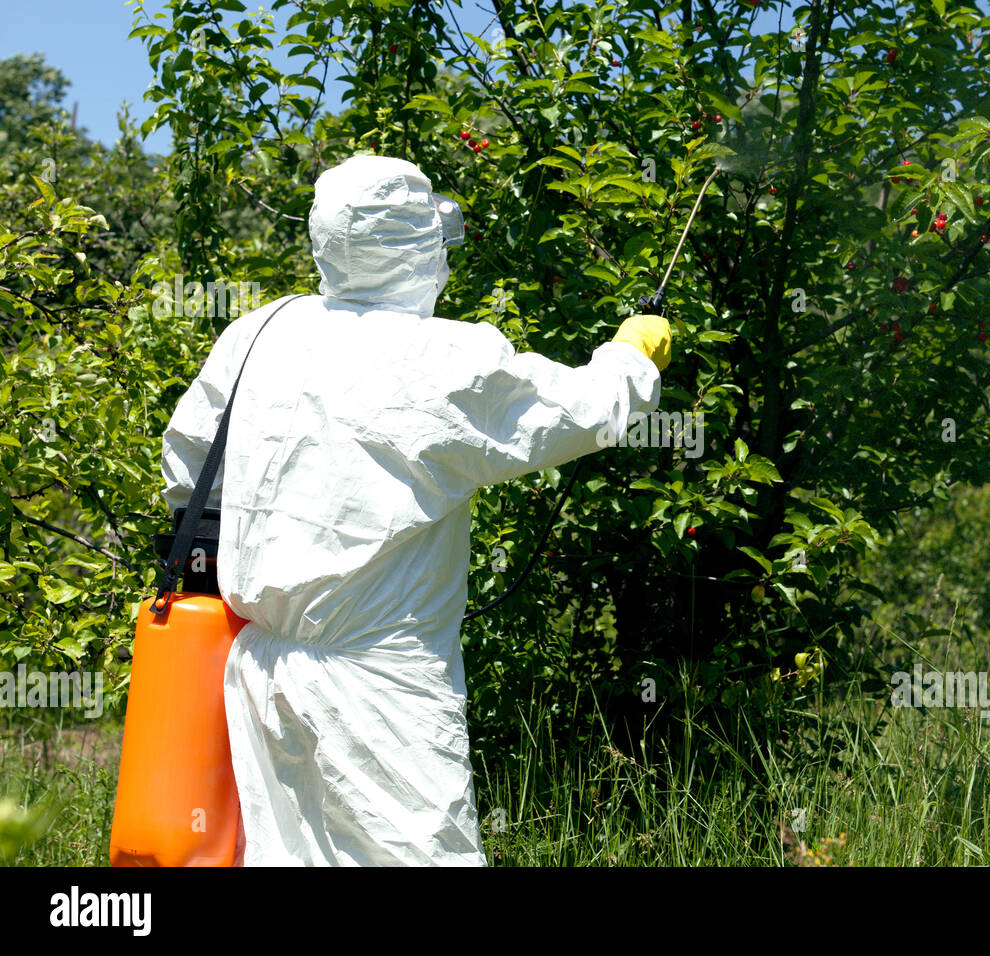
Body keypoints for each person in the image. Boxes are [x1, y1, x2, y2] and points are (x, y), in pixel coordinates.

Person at [160, 155, 671, 865]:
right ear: (415, 247)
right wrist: (633, 356)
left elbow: (186, 472)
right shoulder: (444, 358)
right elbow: (582, 412)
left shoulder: (260, 332)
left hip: (257, 668)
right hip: (382, 691)